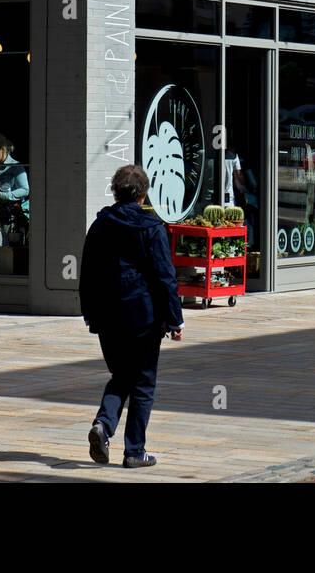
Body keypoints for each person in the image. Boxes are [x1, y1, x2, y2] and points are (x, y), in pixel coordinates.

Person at [80, 164, 184, 469]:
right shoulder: (152, 227)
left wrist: (90, 313)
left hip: (107, 317)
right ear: (143, 194)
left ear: (116, 191)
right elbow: (165, 277)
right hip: (143, 316)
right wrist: (175, 319)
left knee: (121, 376)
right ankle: (134, 451)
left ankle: (103, 424)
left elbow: (87, 273)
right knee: (142, 383)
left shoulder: (101, 225)